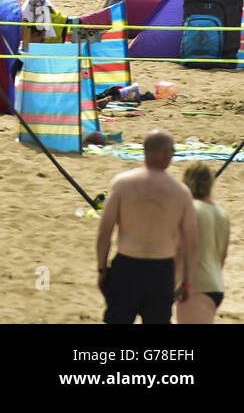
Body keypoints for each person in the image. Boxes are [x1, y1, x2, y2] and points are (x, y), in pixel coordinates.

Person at [96, 130, 198, 324]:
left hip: (127, 266)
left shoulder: (122, 184)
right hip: (161, 270)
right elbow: (190, 242)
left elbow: (104, 232)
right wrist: (186, 281)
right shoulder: (181, 192)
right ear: (167, 153)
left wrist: (102, 269)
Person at [178, 161, 229, 324]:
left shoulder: (190, 210)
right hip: (215, 285)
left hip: (195, 285)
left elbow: (182, 249)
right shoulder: (222, 214)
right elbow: (223, 256)